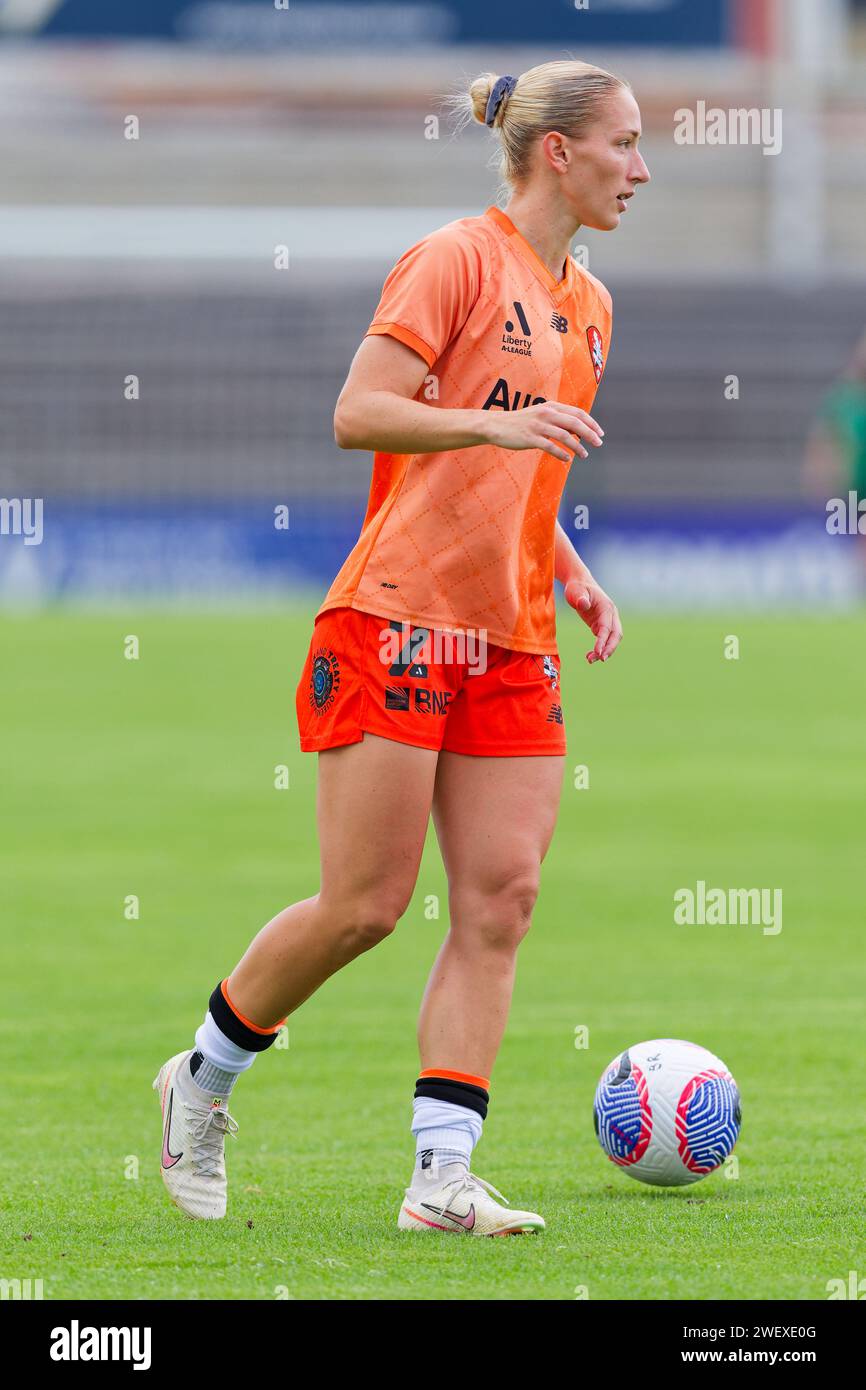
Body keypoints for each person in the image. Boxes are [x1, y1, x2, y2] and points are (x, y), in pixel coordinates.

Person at [154, 59, 649, 1236]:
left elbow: (519, 476)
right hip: (394, 620)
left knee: (502, 900)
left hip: (512, 635)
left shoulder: (591, 303)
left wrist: (569, 574)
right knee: (367, 904)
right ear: (555, 153)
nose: (640, 170)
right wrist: (491, 416)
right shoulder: (453, 259)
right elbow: (357, 411)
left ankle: (442, 1177)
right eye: (623, 145)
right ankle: (203, 1079)